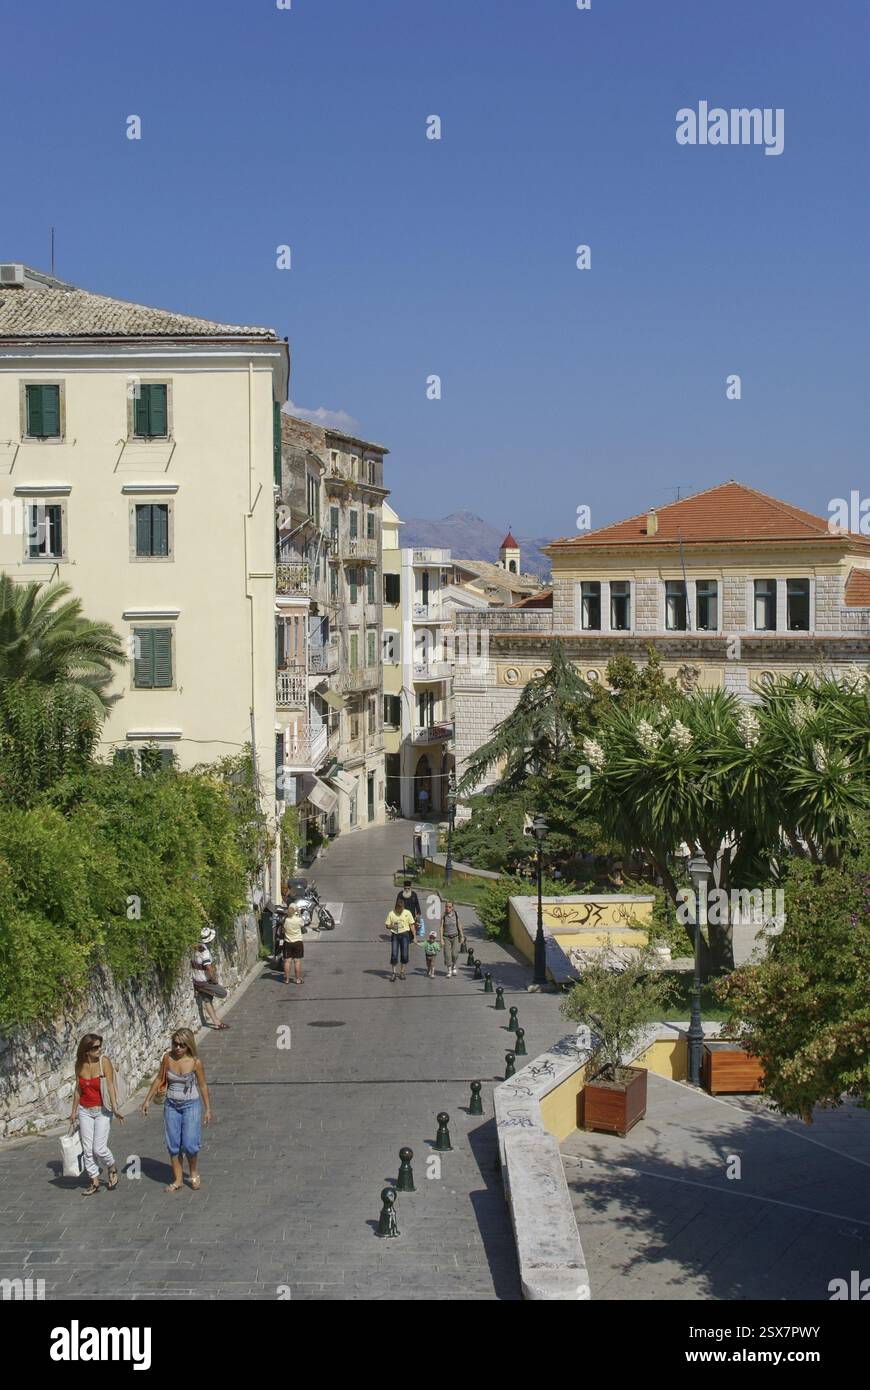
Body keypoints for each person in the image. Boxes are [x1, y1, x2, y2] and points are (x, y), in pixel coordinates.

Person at [141, 1028, 212, 1193]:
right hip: (171, 1105)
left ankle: (193, 1172)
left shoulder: (195, 1062)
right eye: (175, 1044)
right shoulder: (167, 1058)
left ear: (189, 1045)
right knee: (173, 1145)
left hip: (191, 1105)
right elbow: (159, 1078)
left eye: (182, 1045)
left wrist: (208, 1108)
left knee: (190, 1145)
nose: (178, 1048)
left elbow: (202, 1085)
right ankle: (178, 1179)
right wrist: (147, 1100)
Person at [69, 1033, 125, 1196]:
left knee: (99, 1149)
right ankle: (94, 1181)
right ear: (86, 1050)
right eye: (95, 1047)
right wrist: (73, 1112)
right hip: (85, 1111)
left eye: (100, 1046)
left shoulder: (103, 1062)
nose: (99, 1049)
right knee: (87, 1150)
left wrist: (115, 1108)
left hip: (102, 1110)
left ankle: (111, 1166)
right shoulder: (79, 1065)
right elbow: (78, 1089)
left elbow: (110, 1086)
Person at [192, 927, 230, 1030]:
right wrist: (214, 979)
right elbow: (208, 967)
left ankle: (217, 1023)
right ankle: (201, 989)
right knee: (223, 993)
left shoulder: (194, 947)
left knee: (207, 1000)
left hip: (197, 979)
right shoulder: (205, 951)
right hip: (204, 982)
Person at [385, 892, 415, 982]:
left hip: (405, 935)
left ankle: (402, 972)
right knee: (394, 954)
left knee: (404, 954)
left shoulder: (407, 913)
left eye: (402, 909)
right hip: (395, 935)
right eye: (399, 909)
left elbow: (412, 925)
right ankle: (393, 973)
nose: (400, 911)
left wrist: (414, 936)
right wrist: (391, 926)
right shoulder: (391, 913)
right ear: (396, 907)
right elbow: (387, 925)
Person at [278, 902, 305, 985]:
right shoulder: (298, 919)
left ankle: (286, 979)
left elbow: (283, 928)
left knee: (287, 961)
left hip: (288, 942)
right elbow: (303, 924)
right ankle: (298, 979)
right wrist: (299, 914)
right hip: (298, 942)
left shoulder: (285, 920)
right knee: (297, 961)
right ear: (295, 911)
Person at [440, 900, 465, 977]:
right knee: (447, 954)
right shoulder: (444, 916)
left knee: (454, 954)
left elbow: (459, 924)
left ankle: (453, 965)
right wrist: (441, 939)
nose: (447, 908)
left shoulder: (456, 914)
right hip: (446, 937)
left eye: (449, 907)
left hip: (455, 936)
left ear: (453, 908)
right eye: (446, 906)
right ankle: (449, 970)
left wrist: (462, 936)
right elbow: (441, 928)